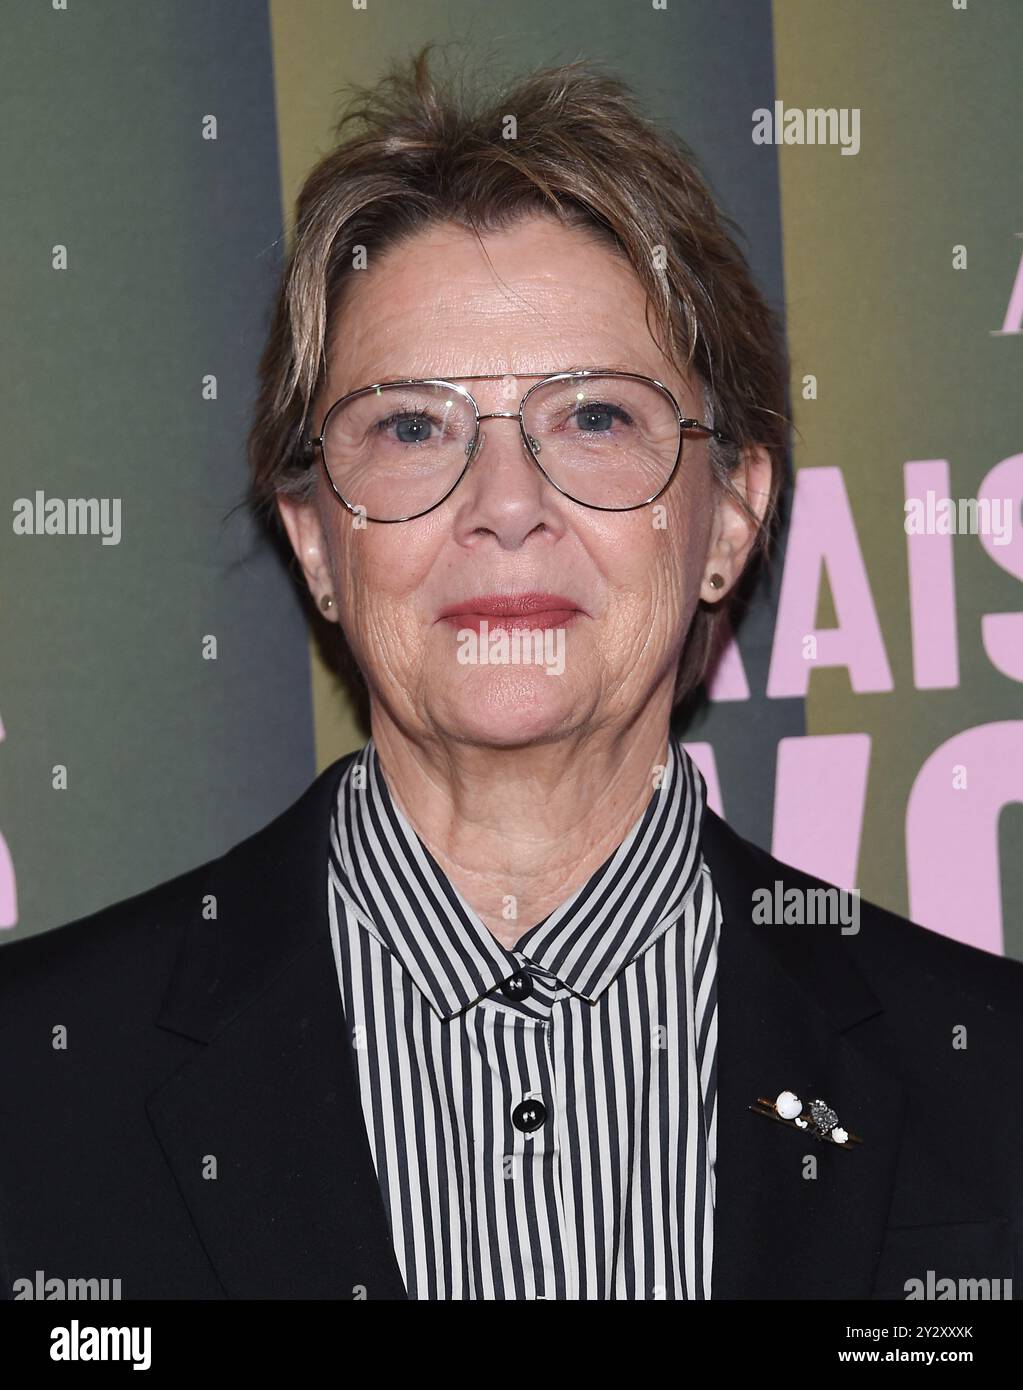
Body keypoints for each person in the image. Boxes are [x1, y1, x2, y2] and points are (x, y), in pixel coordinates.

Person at [2, 46, 1021, 1303]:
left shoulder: (989, 1077)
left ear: (734, 515)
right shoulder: (34, 1080)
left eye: (595, 416)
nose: (504, 505)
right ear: (318, 540)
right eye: (412, 425)